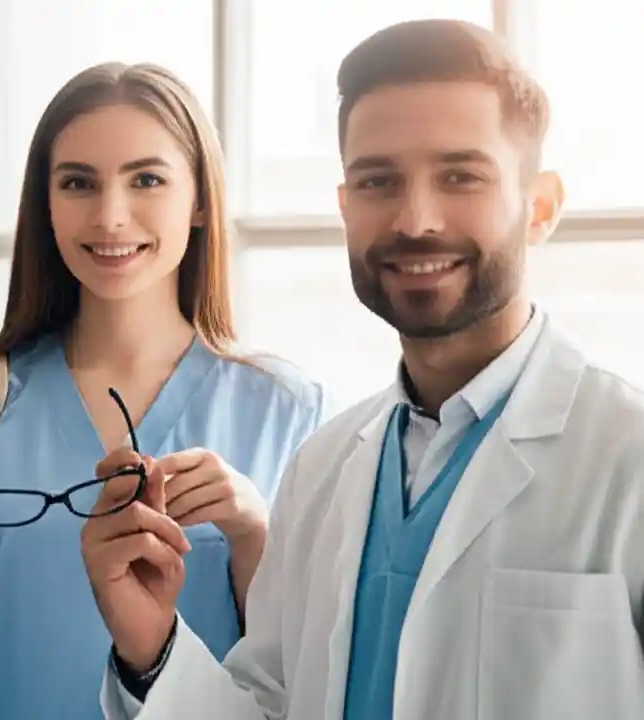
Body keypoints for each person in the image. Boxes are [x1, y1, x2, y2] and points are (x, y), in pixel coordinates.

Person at [89, 19, 644, 720]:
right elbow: (270, 707)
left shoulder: (627, 460)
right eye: (379, 180)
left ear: (540, 206)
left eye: (460, 176)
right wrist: (152, 645)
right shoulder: (321, 468)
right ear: (347, 207)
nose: (416, 218)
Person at [0, 61, 327, 720]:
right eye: (78, 183)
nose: (110, 216)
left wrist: (254, 537)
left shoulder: (286, 410)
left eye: (146, 179)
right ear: (46, 203)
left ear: (201, 198)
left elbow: (316, 681)